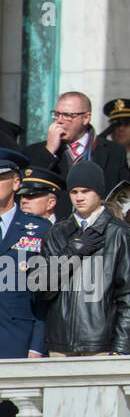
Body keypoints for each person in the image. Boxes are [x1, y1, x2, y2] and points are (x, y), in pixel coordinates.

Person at [42, 160, 130, 356]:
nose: (79, 197)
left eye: (86, 191)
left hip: (102, 346)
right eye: (74, 192)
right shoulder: (56, 233)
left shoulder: (122, 234)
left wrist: (122, 350)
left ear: (99, 192)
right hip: (60, 345)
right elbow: (43, 289)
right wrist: (73, 252)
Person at [24, 91, 129, 218]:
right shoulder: (36, 151)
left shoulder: (113, 151)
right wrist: (49, 151)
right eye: (57, 114)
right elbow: (30, 188)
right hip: (55, 228)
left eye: (68, 115)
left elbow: (121, 196)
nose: (59, 121)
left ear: (86, 118)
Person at [0, 149, 48, 358]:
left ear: (16, 183)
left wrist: (37, 345)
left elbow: (45, 297)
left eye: (0, 178)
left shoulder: (40, 230)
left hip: (18, 339)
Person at [102, 97, 130, 182]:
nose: (121, 129)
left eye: (127, 124)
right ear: (110, 131)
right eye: (117, 124)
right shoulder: (101, 159)